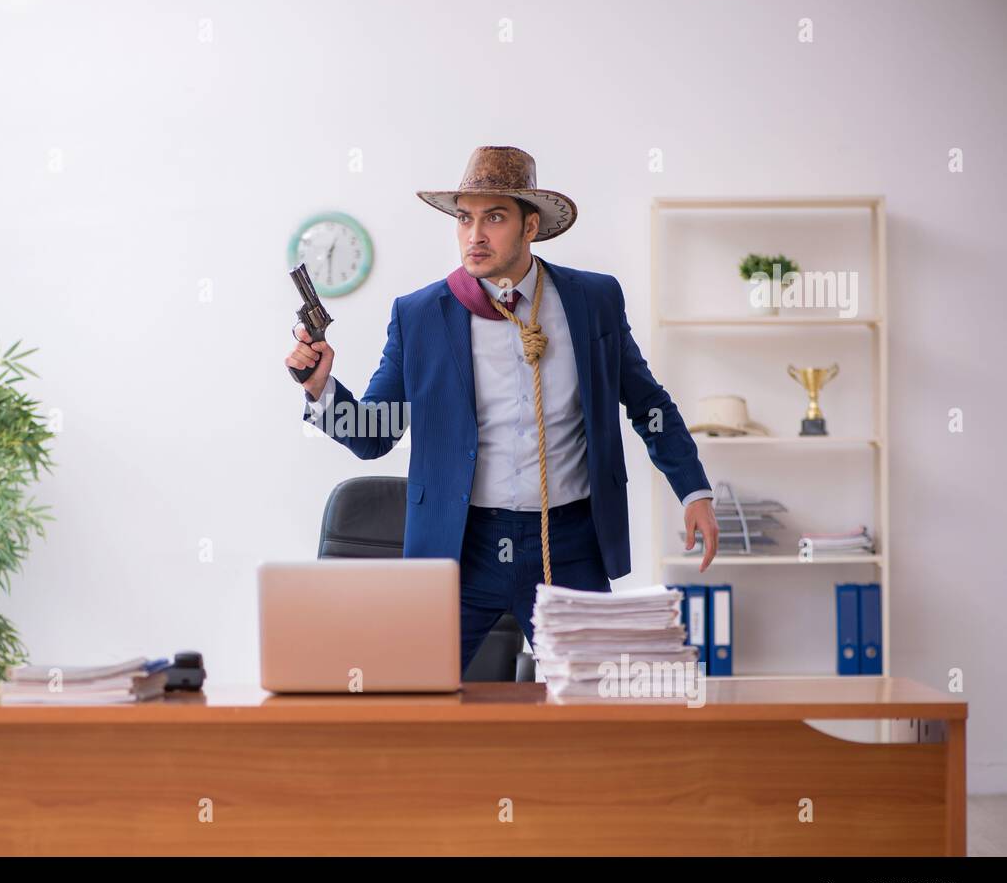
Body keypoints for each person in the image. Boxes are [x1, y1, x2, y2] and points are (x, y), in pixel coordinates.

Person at [284, 145, 718, 675]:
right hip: (462, 547)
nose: (475, 235)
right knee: (409, 693)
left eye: (494, 218)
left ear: (530, 226)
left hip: (569, 542)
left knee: (599, 702)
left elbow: (647, 403)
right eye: (464, 219)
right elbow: (376, 433)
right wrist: (322, 388)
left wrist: (693, 490)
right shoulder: (421, 315)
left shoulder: (593, 300)